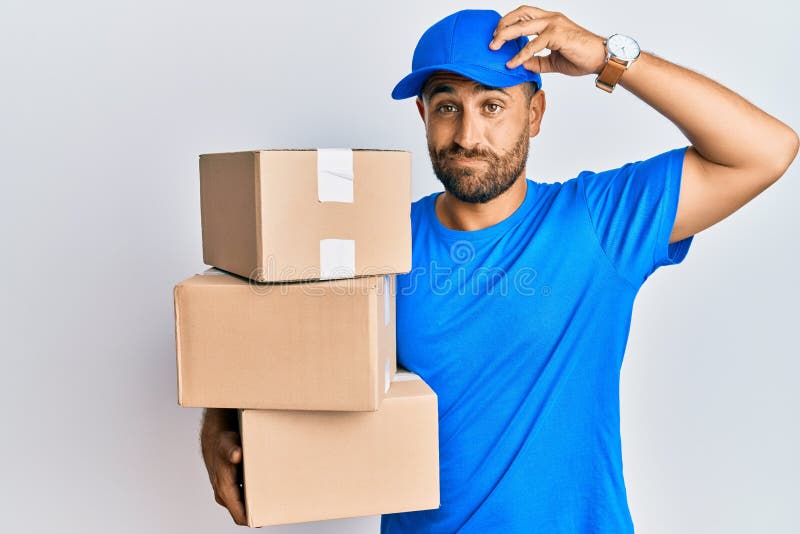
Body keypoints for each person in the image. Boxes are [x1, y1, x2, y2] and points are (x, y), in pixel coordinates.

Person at [200, 6, 798, 532]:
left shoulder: (597, 224)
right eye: (447, 107)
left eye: (493, 105)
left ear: (535, 113)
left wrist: (608, 60)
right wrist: (222, 424)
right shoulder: (374, 241)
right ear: (423, 116)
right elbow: (276, 348)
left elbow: (766, 150)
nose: (468, 134)